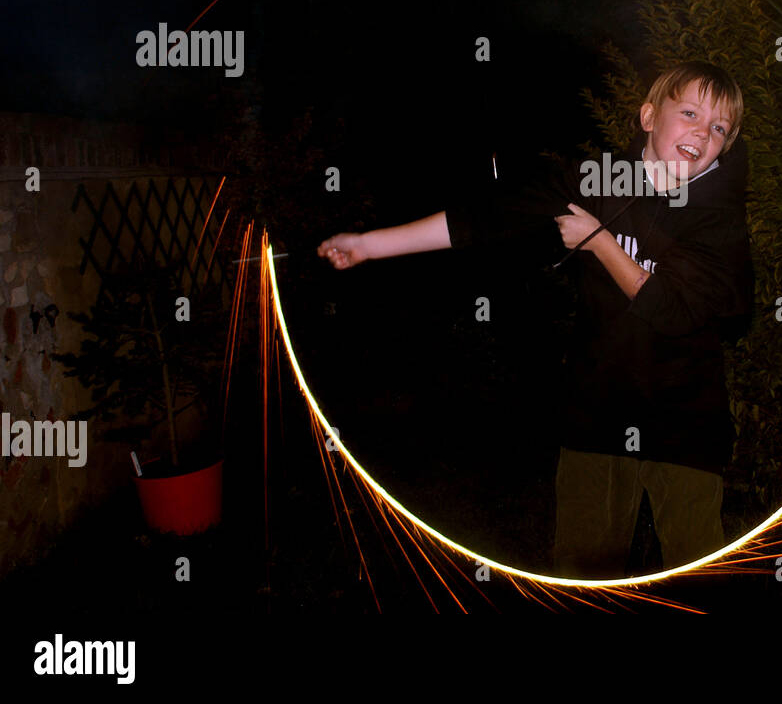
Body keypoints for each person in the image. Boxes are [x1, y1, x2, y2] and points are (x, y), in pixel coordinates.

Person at [318, 61, 752, 578]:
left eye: (719, 127)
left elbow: (676, 309)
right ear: (648, 116)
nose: (703, 131)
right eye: (689, 112)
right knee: (585, 578)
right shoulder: (596, 179)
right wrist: (370, 245)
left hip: (686, 426)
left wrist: (601, 244)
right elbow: (489, 216)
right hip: (596, 415)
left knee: (698, 578)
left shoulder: (719, 218)